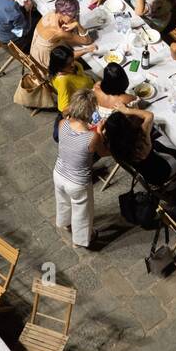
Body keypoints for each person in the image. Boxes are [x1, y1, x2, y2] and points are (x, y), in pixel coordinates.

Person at [53, 89, 104, 248]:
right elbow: (101, 151)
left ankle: (65, 223)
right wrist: (100, 131)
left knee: (63, 202)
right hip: (78, 182)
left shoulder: (63, 124)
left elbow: (66, 112)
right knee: (83, 213)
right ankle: (80, 240)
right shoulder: (91, 137)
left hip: (59, 173)